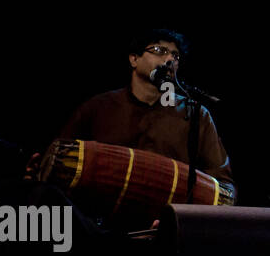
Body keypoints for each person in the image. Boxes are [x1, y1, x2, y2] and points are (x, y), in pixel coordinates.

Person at [58, 28, 233, 194]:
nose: (170, 59)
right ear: (134, 58)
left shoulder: (195, 114)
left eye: (175, 55)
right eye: (159, 50)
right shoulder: (98, 107)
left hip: (167, 220)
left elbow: (222, 183)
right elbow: (62, 159)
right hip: (102, 218)